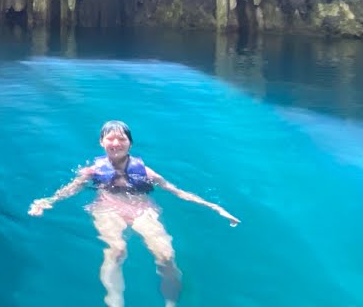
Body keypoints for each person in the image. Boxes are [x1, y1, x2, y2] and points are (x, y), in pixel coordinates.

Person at [28, 120, 239, 307]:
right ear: (101, 142)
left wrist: (217, 208)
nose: (116, 143)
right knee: (116, 250)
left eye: (122, 138)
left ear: (130, 143)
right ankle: (114, 302)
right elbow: (70, 188)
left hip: (142, 209)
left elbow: (178, 192)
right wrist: (47, 201)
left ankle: (171, 303)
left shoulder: (147, 172)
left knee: (166, 255)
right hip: (107, 208)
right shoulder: (92, 171)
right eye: (110, 138)